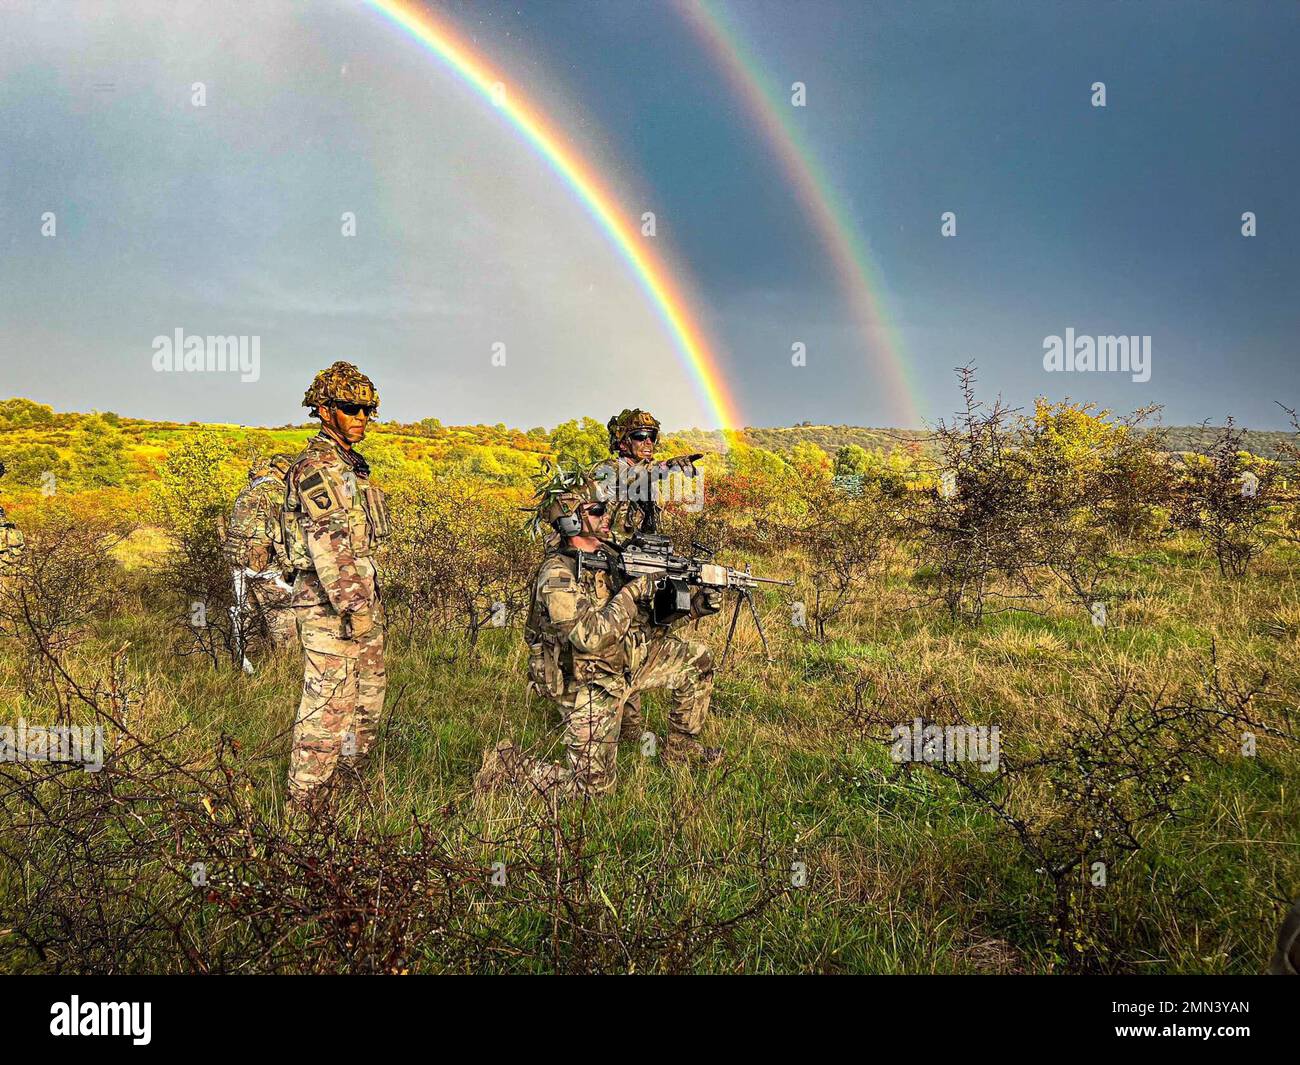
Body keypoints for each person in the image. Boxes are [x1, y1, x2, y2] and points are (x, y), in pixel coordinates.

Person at [475, 466, 721, 799]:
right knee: (593, 791)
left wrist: (692, 608)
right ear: (570, 521)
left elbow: (643, 624)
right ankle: (507, 766)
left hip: (624, 662)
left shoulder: (612, 556)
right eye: (597, 510)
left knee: (698, 659)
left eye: (605, 508)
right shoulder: (557, 574)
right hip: (586, 681)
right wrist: (633, 592)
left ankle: (680, 751)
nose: (607, 516)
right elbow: (590, 636)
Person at [280, 362, 390, 806]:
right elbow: (330, 545)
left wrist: (366, 607)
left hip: (359, 603)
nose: (362, 417)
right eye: (351, 408)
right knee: (328, 709)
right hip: (331, 608)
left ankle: (339, 801)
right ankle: (303, 812)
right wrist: (355, 609)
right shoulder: (317, 466)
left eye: (368, 409)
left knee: (366, 705)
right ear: (325, 410)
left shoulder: (351, 466)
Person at [591, 408, 703, 539]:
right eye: (641, 436)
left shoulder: (651, 484)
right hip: (605, 549)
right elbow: (633, 475)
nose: (649, 442)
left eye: (652, 437)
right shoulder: (607, 469)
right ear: (622, 443)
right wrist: (667, 465)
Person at [225, 454, 297, 652]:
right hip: (262, 559)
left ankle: (250, 657)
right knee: (280, 610)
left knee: (248, 612)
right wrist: (288, 565)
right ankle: (287, 660)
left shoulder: (250, 489)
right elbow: (280, 532)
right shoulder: (276, 491)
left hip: (238, 558)